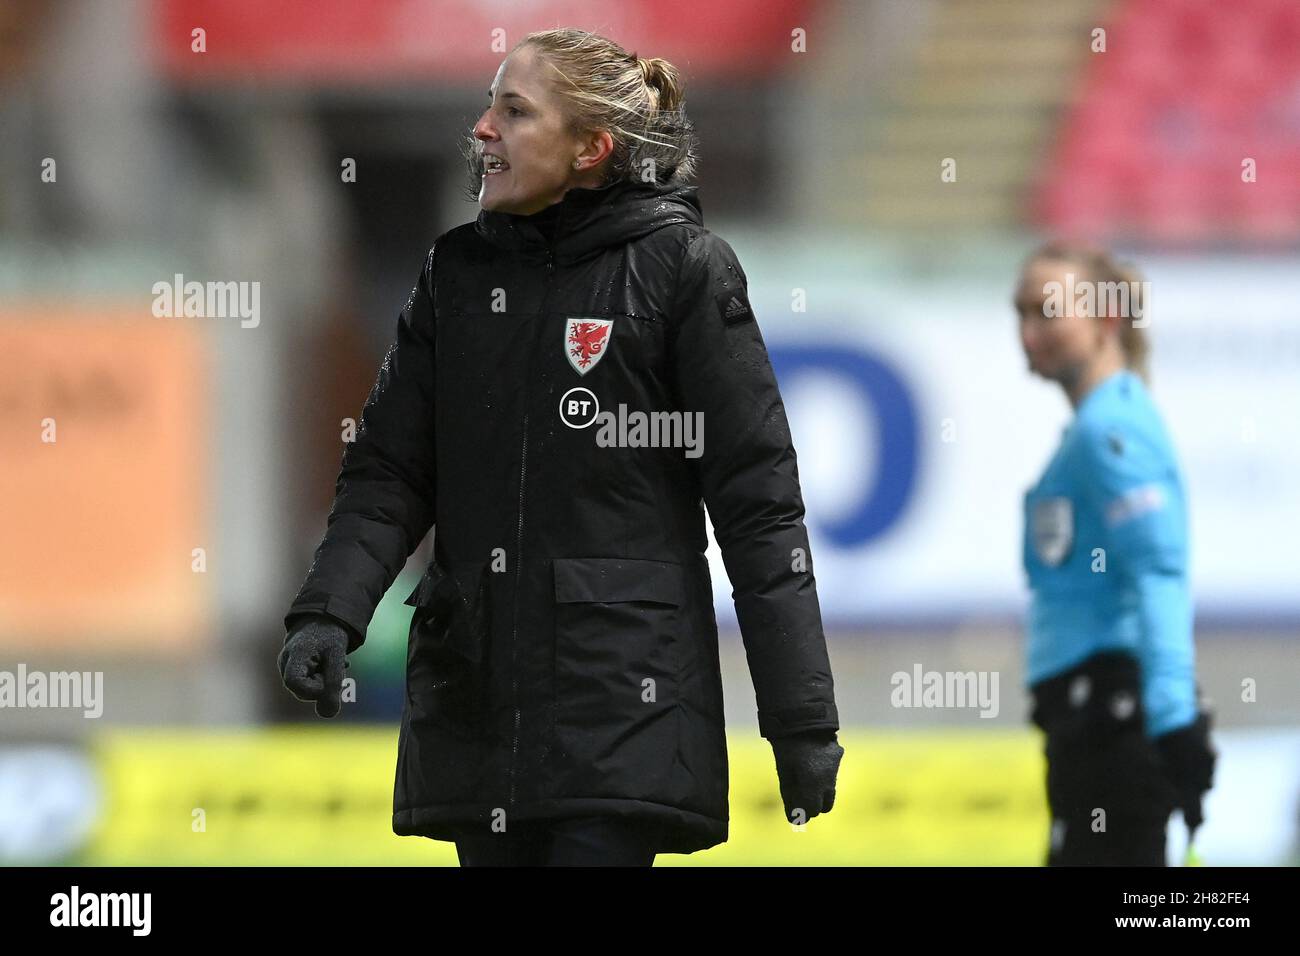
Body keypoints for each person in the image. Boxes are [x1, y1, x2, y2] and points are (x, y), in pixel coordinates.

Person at [278, 28, 843, 867]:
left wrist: (799, 721)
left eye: (513, 110)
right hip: (474, 705)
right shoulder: (452, 275)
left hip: (621, 712)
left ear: (591, 148)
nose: (482, 129)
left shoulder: (685, 271)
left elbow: (758, 505)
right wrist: (329, 611)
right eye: (487, 106)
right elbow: (390, 470)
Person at [1013, 241, 1216, 866]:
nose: (1027, 333)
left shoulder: (1111, 432)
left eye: (1047, 312)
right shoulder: (1099, 426)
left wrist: (1176, 717)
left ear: (1104, 321)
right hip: (1089, 726)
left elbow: (1158, 570)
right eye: (1020, 313)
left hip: (1112, 728)